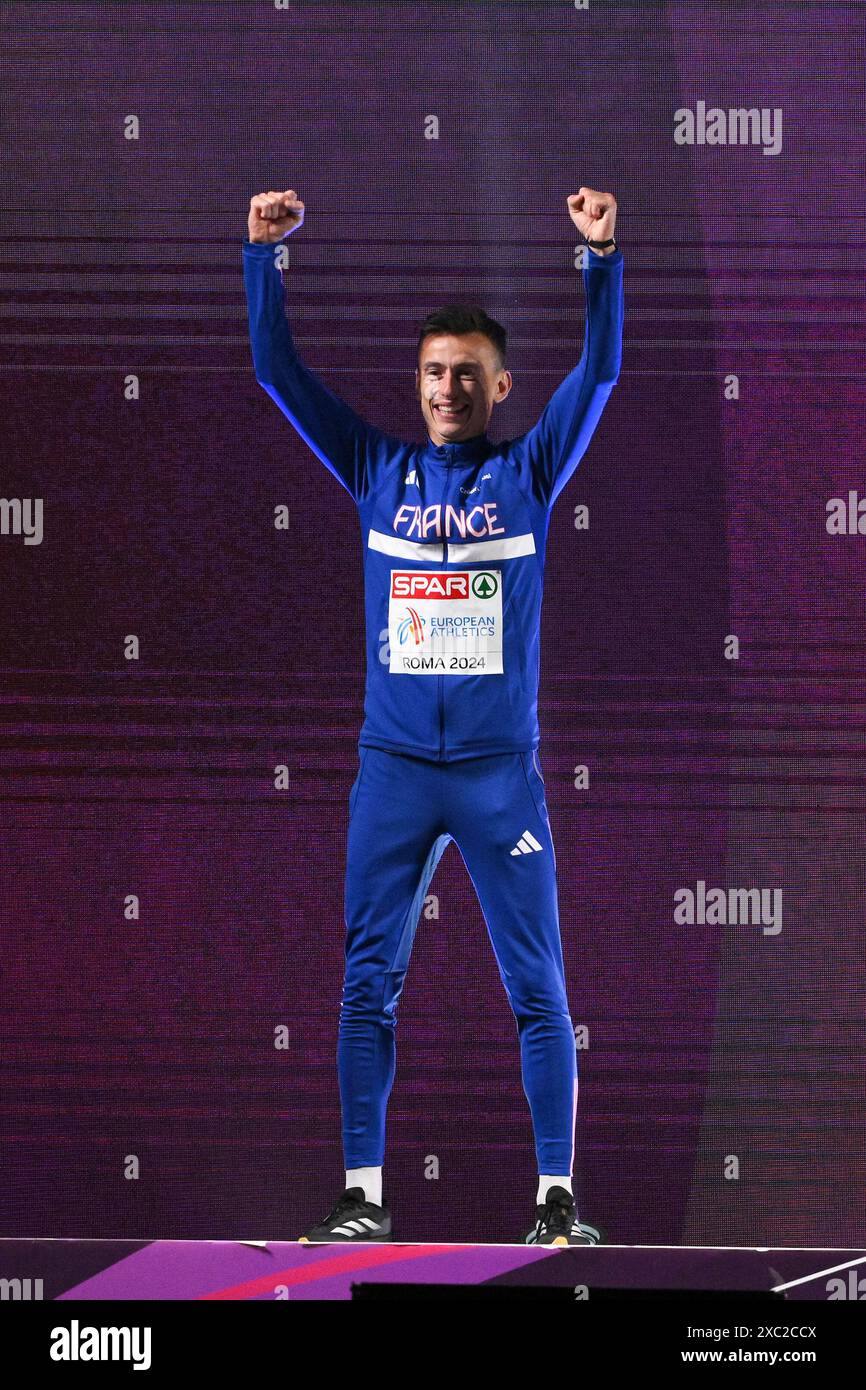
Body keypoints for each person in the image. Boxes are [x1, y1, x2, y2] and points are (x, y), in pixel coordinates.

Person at [243, 187, 623, 1245]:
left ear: (500, 386)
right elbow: (278, 375)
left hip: (499, 775)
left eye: (467, 374)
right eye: (432, 374)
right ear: (414, 387)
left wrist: (599, 258)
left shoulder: (527, 473)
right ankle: (361, 1195)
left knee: (537, 987)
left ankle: (556, 1200)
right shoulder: (375, 469)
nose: (448, 389)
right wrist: (262, 258)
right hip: (396, 771)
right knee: (367, 984)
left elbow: (598, 376)